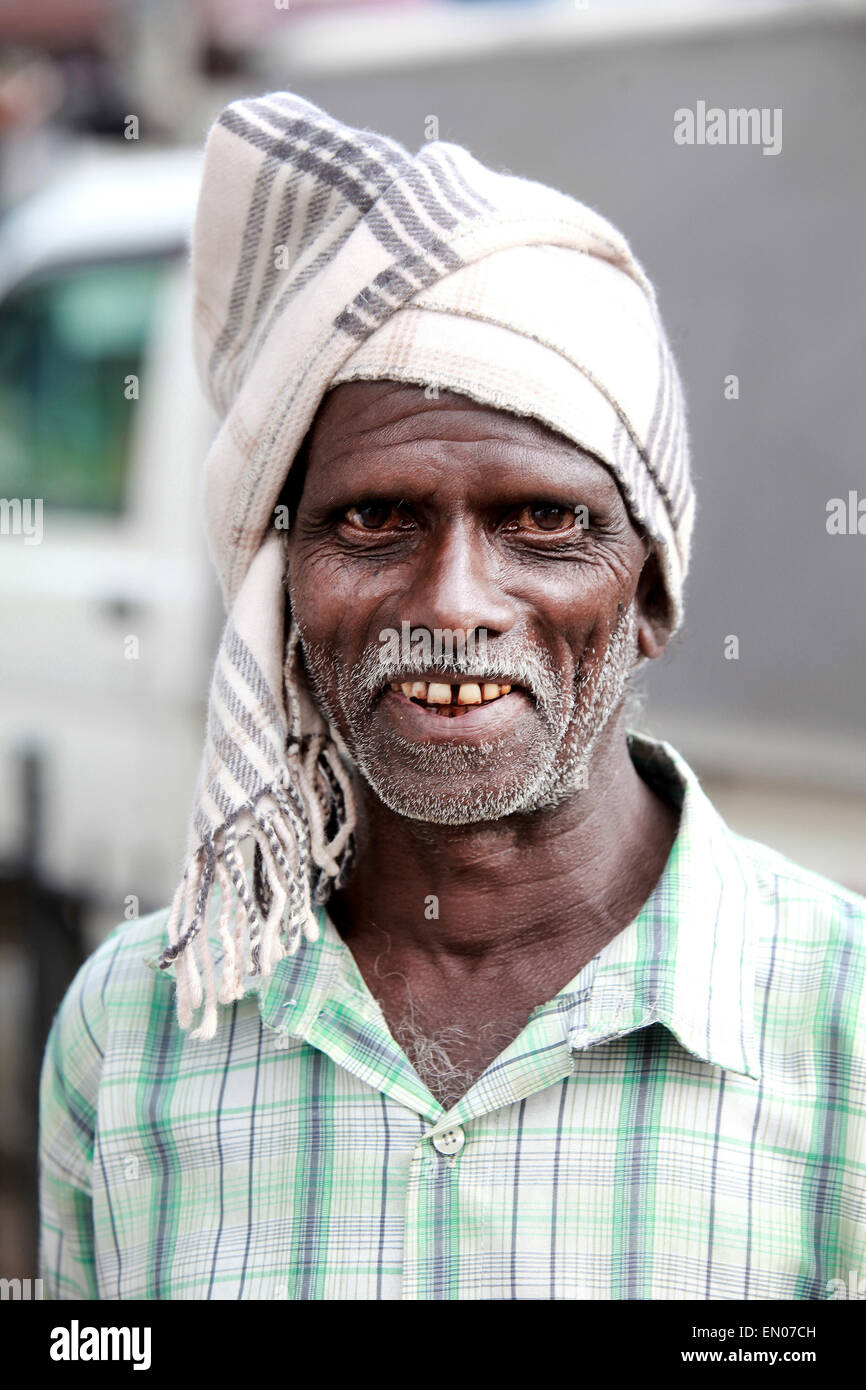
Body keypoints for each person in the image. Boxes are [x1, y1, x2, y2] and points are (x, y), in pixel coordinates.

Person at [39, 91, 865, 1301]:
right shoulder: (128, 1035)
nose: (451, 601)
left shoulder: (842, 1028)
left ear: (650, 591)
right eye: (375, 517)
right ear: (282, 582)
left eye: (543, 521)